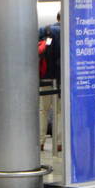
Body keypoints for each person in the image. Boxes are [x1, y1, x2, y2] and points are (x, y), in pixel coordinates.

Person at [39, 11, 61, 151]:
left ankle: (40, 140)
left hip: (44, 76)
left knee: (43, 110)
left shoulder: (44, 30)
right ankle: (58, 142)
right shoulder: (68, 32)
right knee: (59, 111)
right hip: (60, 78)